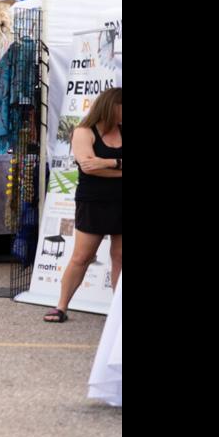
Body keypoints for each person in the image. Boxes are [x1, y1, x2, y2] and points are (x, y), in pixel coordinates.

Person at [46, 87, 121, 322]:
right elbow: (88, 167)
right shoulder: (84, 131)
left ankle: (117, 313)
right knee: (82, 257)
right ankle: (61, 306)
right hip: (94, 201)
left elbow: (96, 166)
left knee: (120, 256)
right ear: (112, 107)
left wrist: (106, 162)